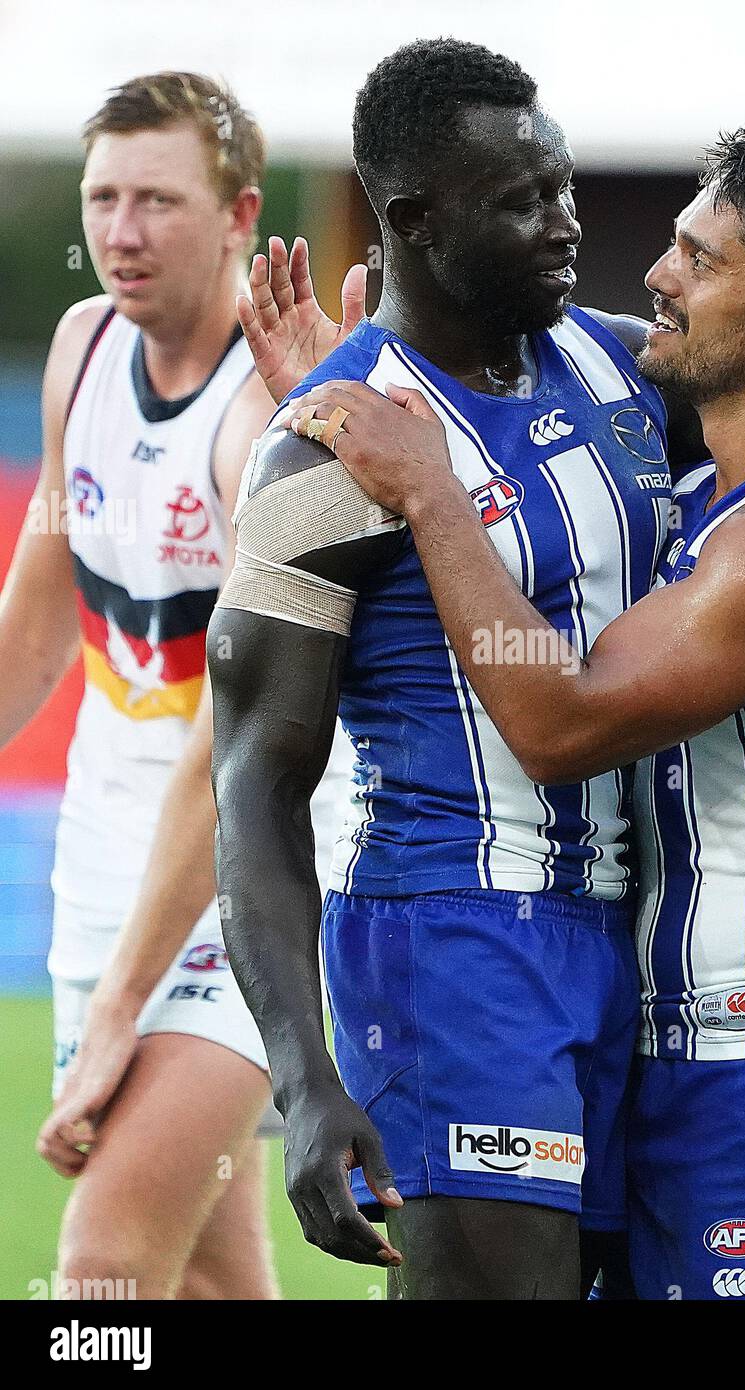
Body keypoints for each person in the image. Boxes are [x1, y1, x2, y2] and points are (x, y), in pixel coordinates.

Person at [210, 39, 745, 1300]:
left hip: (636, 977)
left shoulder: (623, 370)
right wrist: (300, 1073)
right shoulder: (322, 457)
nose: (577, 229)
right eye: (525, 202)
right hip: (455, 943)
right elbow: (252, 779)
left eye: (565, 188)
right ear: (411, 221)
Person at [0, 71, 354, 1300]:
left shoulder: (262, 423)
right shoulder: (82, 350)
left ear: (238, 215)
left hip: (245, 885)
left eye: (157, 199)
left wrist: (117, 1014)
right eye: (103, 197)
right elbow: (42, 614)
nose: (121, 230)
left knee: (100, 1273)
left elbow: (234, 752)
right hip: (103, 872)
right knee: (209, 1282)